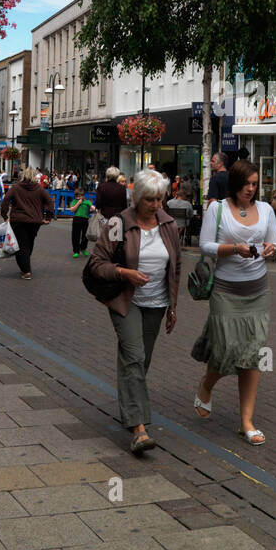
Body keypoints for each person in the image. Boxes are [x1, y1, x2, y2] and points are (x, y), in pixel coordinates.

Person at [87, 169, 182, 453]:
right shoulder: (119, 224)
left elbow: (175, 267)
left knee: (140, 362)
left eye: (159, 199)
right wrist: (123, 272)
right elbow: (96, 263)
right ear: (137, 197)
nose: (155, 205)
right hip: (125, 300)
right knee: (134, 356)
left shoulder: (169, 225)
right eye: (150, 199)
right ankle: (138, 428)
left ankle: (130, 408)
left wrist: (173, 307)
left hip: (156, 303)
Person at [192, 160, 276, 446]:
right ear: (235, 183)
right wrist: (233, 249)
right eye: (246, 184)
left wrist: (271, 249)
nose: (251, 190)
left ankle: (246, 422)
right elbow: (204, 245)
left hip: (258, 291)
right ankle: (207, 384)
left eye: (255, 184)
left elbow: (275, 243)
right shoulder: (217, 209)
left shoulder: (265, 209)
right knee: (226, 349)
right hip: (226, 291)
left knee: (252, 355)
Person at [0, 170, 56, 278]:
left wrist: (5, 216)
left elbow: (5, 200)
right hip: (35, 221)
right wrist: (48, 217)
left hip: (18, 220)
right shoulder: (40, 189)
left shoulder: (16, 187)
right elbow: (50, 203)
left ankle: (26, 270)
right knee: (29, 243)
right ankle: (25, 266)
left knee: (21, 245)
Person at [68, 187, 95, 258]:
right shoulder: (74, 201)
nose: (79, 197)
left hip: (85, 219)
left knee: (85, 236)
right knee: (75, 235)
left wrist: (96, 209)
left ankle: (83, 248)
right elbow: (72, 210)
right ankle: (76, 251)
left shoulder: (87, 202)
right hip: (77, 219)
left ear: (83, 195)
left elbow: (92, 207)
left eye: (80, 195)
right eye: (77, 196)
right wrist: (78, 203)